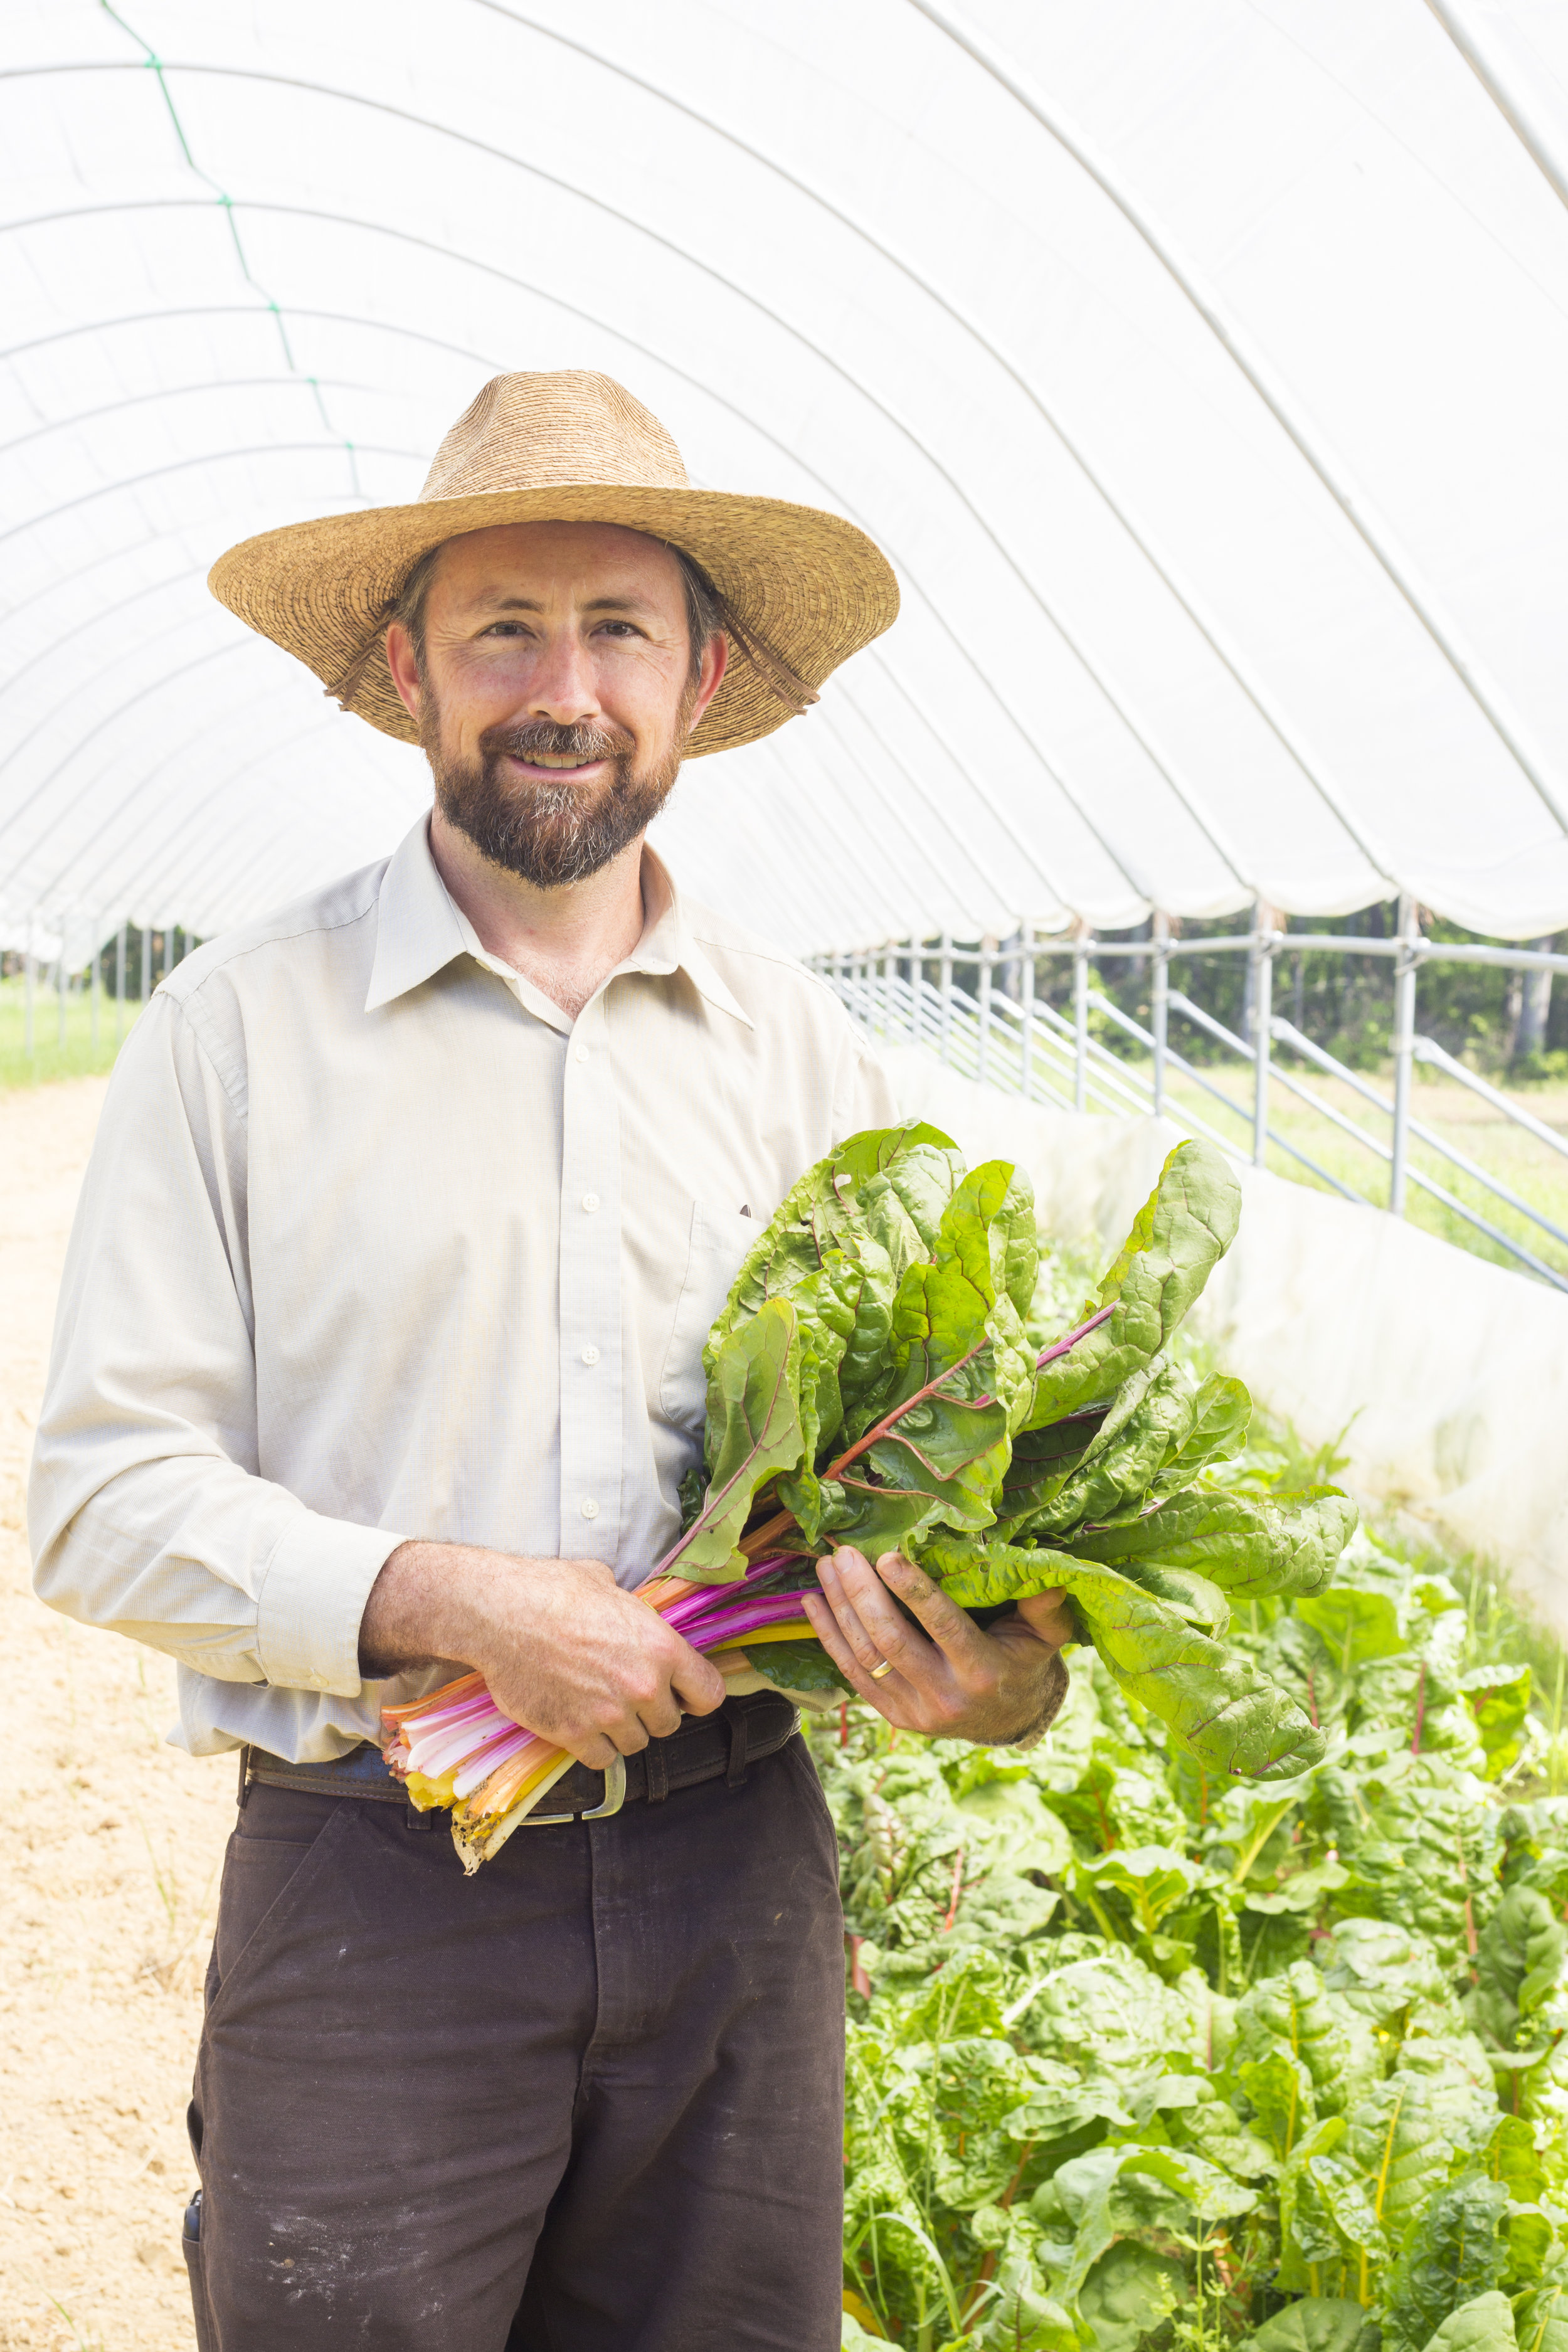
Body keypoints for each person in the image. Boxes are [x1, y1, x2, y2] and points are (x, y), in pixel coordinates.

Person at [29, 371, 1072, 2351]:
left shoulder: (808, 1066)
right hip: (376, 1896)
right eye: (503, 626)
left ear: (704, 676)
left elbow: (930, 1477)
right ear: (409, 667)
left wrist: (999, 1674)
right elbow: (100, 1502)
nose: (558, 683)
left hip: (737, 1876)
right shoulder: (239, 1032)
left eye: (616, 628)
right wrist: (462, 1605)